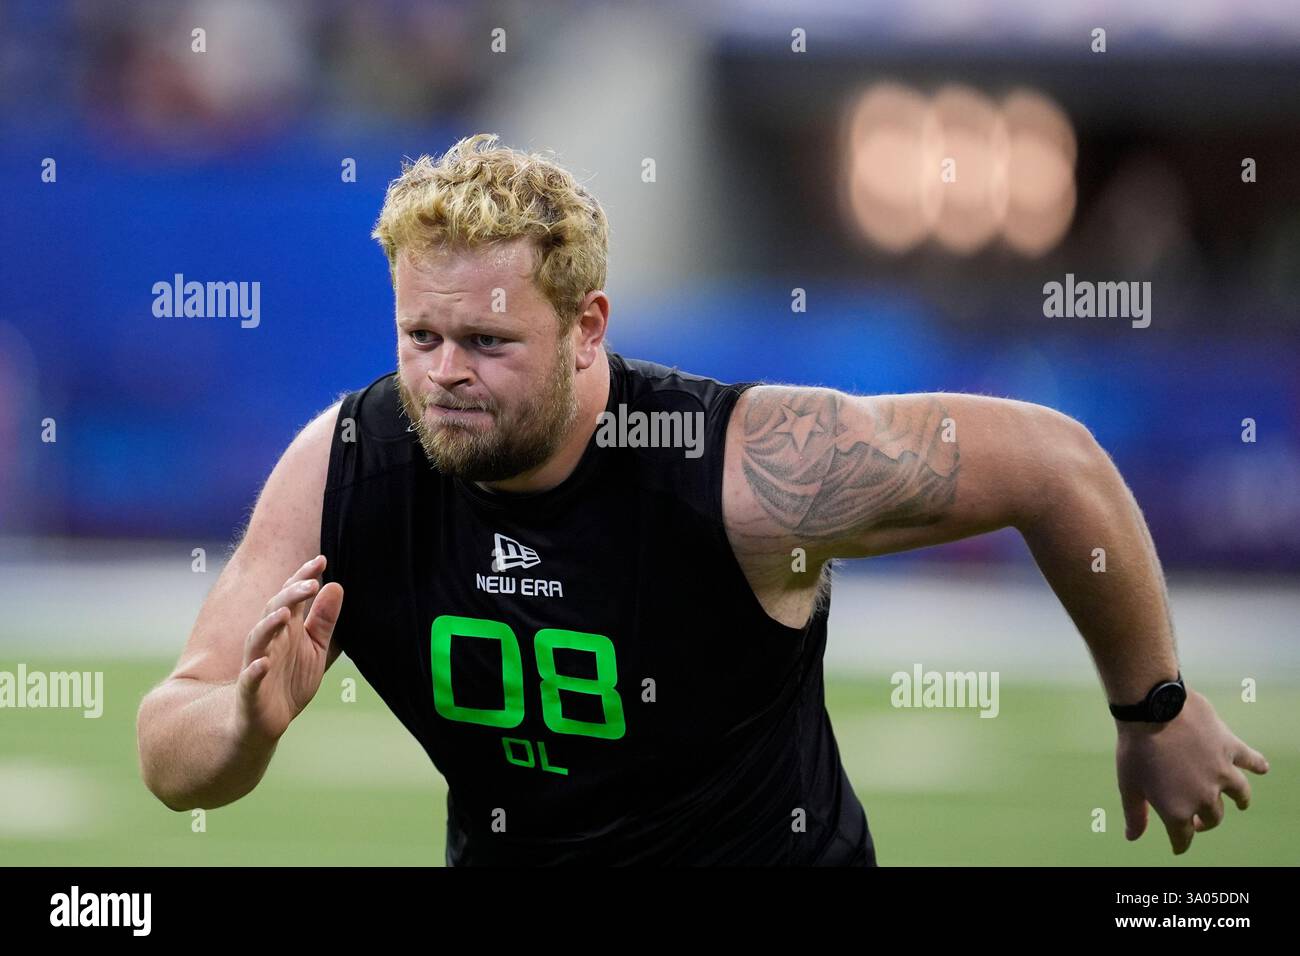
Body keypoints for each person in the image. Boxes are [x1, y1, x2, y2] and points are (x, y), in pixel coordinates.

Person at [137, 133, 1268, 865]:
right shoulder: (350, 464)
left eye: (486, 340)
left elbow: (1051, 460)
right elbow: (171, 744)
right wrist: (244, 723)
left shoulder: (743, 463)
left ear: (589, 329)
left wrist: (1152, 708)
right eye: (419, 334)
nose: (442, 372)